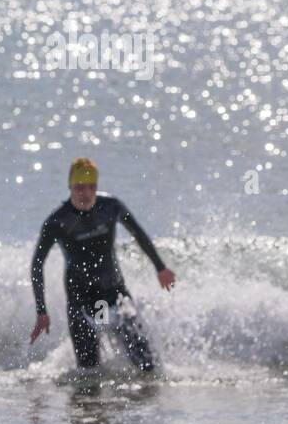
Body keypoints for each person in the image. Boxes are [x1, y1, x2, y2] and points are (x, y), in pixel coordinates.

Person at [29, 158, 177, 371]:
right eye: (79, 187)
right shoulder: (57, 222)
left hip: (115, 294)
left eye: (91, 187)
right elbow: (37, 265)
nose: (85, 193)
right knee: (89, 376)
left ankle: (144, 400)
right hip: (81, 302)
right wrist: (42, 311)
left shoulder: (111, 207)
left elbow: (139, 234)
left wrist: (160, 268)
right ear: (70, 186)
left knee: (147, 366)